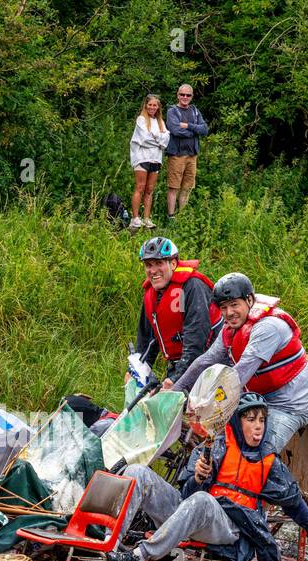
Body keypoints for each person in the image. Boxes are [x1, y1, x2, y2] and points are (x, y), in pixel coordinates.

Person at [108, 393, 308, 561]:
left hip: (230, 529)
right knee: (136, 471)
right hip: (189, 515)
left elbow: (293, 501)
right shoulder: (215, 445)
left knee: (203, 501)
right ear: (237, 421)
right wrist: (197, 479)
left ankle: (137, 556)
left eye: (262, 420)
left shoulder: (269, 461)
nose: (258, 427)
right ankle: (110, 545)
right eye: (250, 419)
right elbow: (186, 495)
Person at [169, 273, 308, 453]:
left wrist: (202, 411)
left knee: (257, 454)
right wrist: (172, 395)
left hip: (290, 405)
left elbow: (238, 376)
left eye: (234, 305)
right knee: (220, 449)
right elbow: (204, 362)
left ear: (249, 300)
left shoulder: (268, 328)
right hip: (257, 400)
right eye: (223, 307)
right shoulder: (230, 329)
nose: (229, 313)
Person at [134, 236, 220, 389]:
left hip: (208, 364)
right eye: (148, 265)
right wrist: (136, 370)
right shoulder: (151, 294)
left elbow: (196, 341)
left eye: (159, 263)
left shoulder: (193, 286)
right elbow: (146, 340)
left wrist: (176, 378)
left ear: (173, 263)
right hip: (179, 366)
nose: (153, 271)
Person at [164, 84, 208, 219]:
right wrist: (194, 132)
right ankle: (171, 217)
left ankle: (182, 217)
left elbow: (205, 129)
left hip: (192, 156)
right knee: (174, 187)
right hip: (177, 155)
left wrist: (188, 126)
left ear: (192, 96)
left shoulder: (195, 110)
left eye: (188, 95)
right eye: (182, 94)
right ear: (178, 95)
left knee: (187, 188)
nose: (185, 97)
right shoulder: (172, 111)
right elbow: (175, 130)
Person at [128, 95, 169, 229]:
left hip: (156, 158)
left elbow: (166, 140)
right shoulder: (141, 120)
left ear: (158, 107)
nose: (152, 107)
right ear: (146, 105)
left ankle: (146, 218)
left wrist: (157, 138)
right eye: (150, 104)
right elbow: (144, 139)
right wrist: (158, 139)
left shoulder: (161, 122)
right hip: (142, 157)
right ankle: (135, 218)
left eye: (155, 105)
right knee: (140, 187)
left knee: (150, 190)